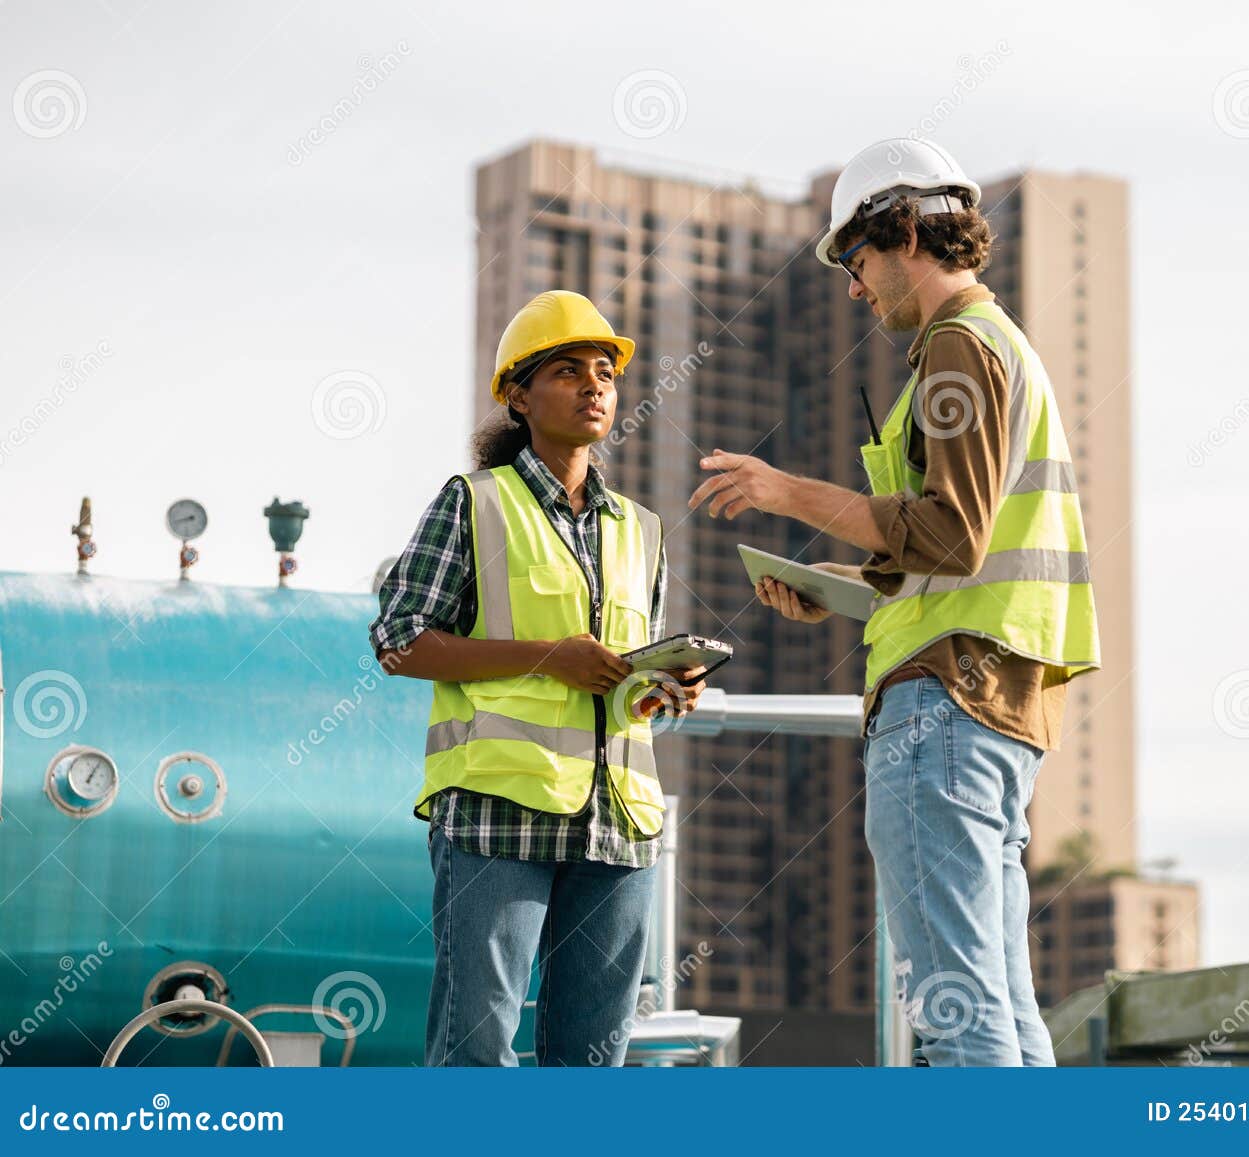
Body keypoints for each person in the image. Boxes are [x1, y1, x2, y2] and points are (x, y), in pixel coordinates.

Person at [688, 139, 1099, 1066]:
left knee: (956, 1012)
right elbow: (956, 549)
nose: (853, 287)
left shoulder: (956, 345)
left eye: (858, 259)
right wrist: (850, 590)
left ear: (906, 231)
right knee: (1004, 1006)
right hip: (1000, 698)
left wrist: (786, 492)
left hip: (943, 704)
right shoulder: (1003, 347)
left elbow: (954, 531)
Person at [372, 290, 705, 1066]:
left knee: (594, 1057)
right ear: (518, 396)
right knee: (477, 1046)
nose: (595, 385)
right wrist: (545, 656)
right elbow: (397, 640)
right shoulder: (473, 504)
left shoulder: (642, 530)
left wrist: (664, 688)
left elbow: (622, 689)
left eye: (604, 372)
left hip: (619, 821)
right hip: (498, 810)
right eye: (567, 370)